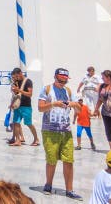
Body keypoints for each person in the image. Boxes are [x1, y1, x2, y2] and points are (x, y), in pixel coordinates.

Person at [37, 67, 82, 200]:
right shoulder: (47, 89)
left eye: (65, 81)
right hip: (50, 130)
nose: (63, 83)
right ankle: (48, 185)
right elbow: (40, 108)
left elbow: (79, 110)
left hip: (66, 131)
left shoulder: (68, 91)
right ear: (55, 77)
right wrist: (53, 104)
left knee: (69, 161)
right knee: (51, 160)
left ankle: (69, 190)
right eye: (60, 80)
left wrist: (73, 104)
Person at [9, 68, 39, 147]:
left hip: (26, 106)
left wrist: (19, 90)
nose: (16, 78)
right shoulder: (16, 82)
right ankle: (18, 140)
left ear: (20, 73)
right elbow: (16, 94)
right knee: (16, 123)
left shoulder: (28, 81)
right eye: (14, 77)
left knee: (29, 124)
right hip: (18, 106)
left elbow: (30, 94)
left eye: (16, 76)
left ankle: (36, 139)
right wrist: (14, 90)